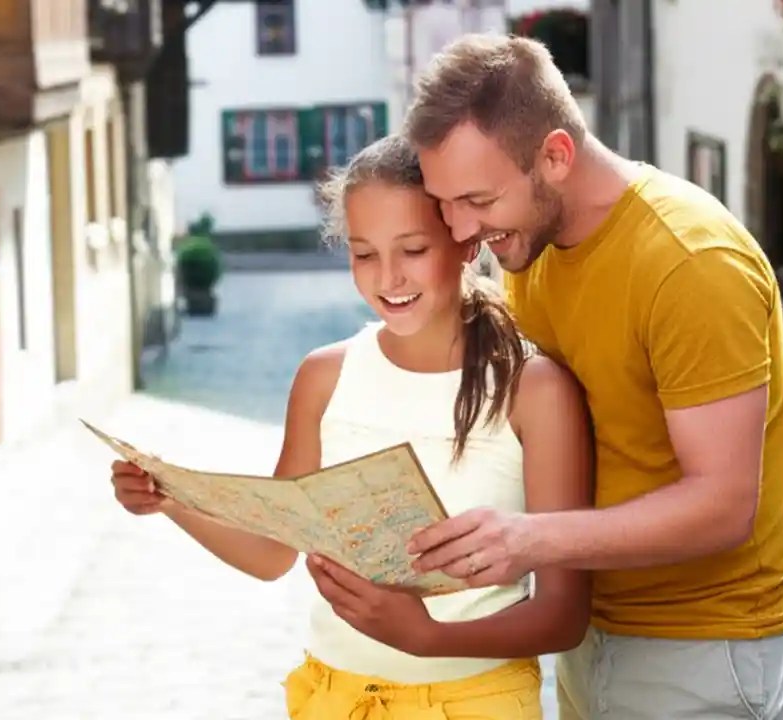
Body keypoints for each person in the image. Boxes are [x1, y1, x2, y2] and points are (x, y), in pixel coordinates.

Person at [108, 134, 593, 718]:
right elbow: (272, 554)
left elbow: (563, 615)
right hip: (336, 699)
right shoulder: (324, 378)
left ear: (465, 243)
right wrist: (170, 498)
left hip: (476, 703)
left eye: (412, 249)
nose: (388, 277)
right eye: (364, 254)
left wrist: (428, 638)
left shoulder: (533, 390)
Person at [397, 34, 783, 719]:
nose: (463, 230)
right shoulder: (534, 247)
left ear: (555, 156)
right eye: (446, 202)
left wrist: (528, 540)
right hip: (592, 640)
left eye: (478, 199)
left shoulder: (690, 262)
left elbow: (724, 505)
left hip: (707, 654)